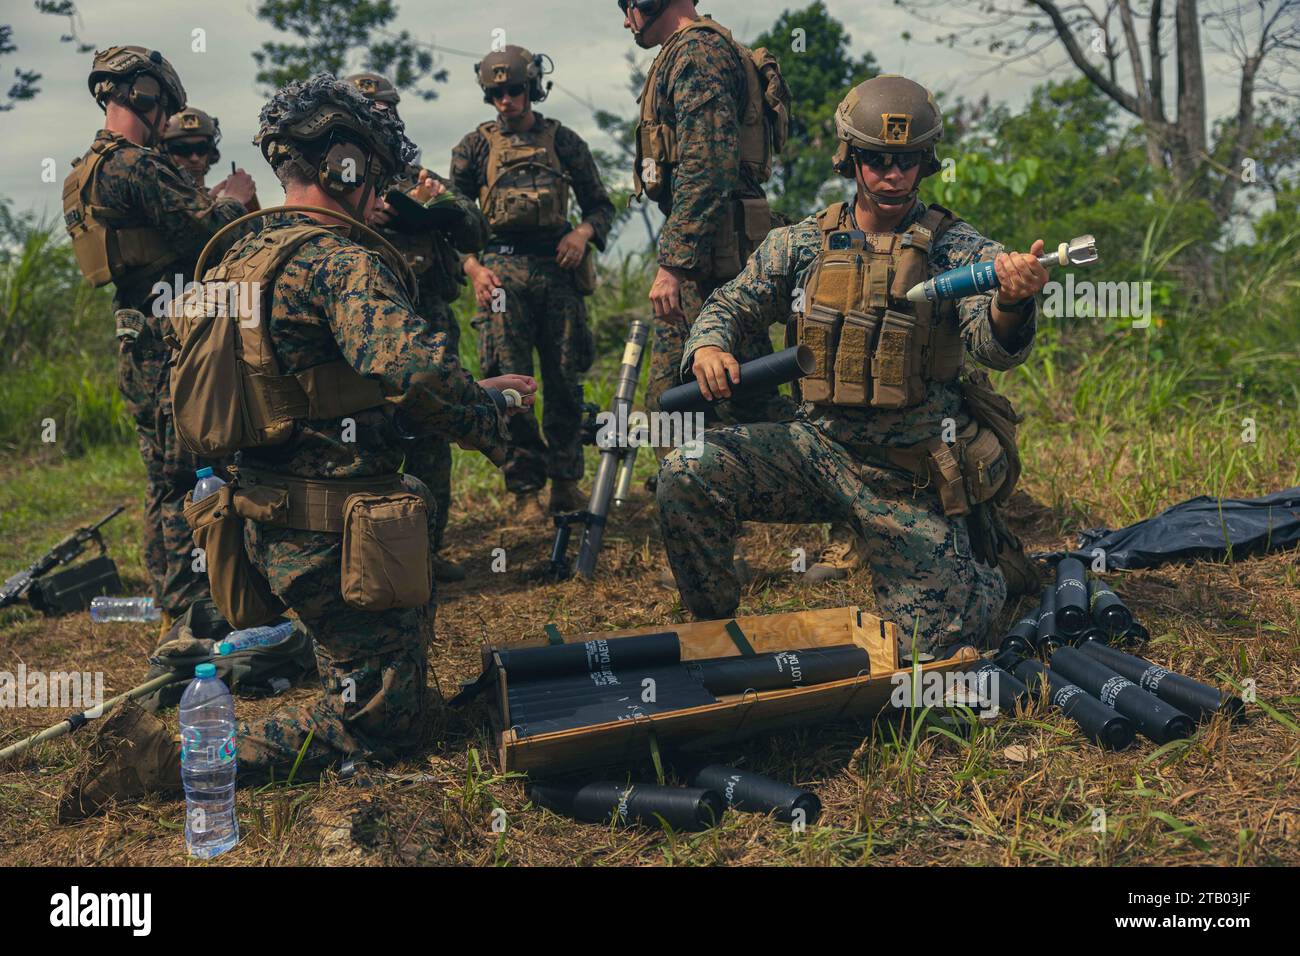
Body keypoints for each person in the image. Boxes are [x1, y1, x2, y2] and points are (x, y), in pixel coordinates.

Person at [57, 75, 537, 821]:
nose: (375, 184)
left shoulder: (238, 254)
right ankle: (165, 759)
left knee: (392, 685)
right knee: (382, 729)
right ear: (343, 161)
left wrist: (467, 386)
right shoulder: (339, 260)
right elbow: (411, 373)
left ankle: (352, 673)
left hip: (266, 526)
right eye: (368, 166)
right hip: (335, 540)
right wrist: (490, 415)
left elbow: (310, 382)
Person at [656, 76, 1047, 655]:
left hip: (908, 475)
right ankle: (713, 628)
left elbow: (992, 347)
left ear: (926, 163)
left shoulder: (956, 248)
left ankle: (987, 563)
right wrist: (709, 346)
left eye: (907, 162)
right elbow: (732, 301)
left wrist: (1012, 300)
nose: (893, 176)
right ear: (851, 159)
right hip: (818, 451)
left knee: (936, 647)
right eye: (878, 161)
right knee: (686, 471)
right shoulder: (802, 243)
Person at [62, 46, 255, 629]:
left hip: (134, 333)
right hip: (166, 337)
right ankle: (193, 607)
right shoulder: (135, 166)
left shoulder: (84, 171)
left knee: (161, 474)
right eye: (165, 109)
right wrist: (236, 202)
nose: (168, 123)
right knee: (185, 473)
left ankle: (174, 596)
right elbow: (208, 231)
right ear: (145, 95)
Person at [620, 0, 793, 471]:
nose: (625, 18)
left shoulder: (697, 52)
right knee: (697, 396)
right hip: (716, 248)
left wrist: (674, 263)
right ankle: (691, 494)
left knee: (705, 399)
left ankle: (840, 481)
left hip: (713, 257)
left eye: (625, 4)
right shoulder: (696, 49)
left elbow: (709, 163)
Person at [452, 45, 615, 522]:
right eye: (496, 92)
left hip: (557, 273)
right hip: (500, 276)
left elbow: (600, 205)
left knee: (565, 380)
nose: (507, 100)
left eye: (515, 90)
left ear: (533, 87)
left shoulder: (563, 141)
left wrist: (582, 234)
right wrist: (474, 269)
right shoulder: (473, 147)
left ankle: (566, 482)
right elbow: (450, 224)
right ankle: (524, 487)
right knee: (510, 384)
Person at [346, 71, 490, 582]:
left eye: (386, 110)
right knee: (370, 438)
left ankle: (428, 550)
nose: (380, 118)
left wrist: (433, 206)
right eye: (370, 111)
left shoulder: (419, 176)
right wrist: (366, 215)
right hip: (367, 335)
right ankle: (377, 555)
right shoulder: (342, 181)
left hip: (427, 324)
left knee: (431, 436)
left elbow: (475, 225)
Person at [161, 105, 261, 210]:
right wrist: (232, 201)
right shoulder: (157, 200)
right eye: (183, 150)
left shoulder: (226, 196)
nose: (194, 158)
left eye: (202, 148)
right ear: (165, 152)